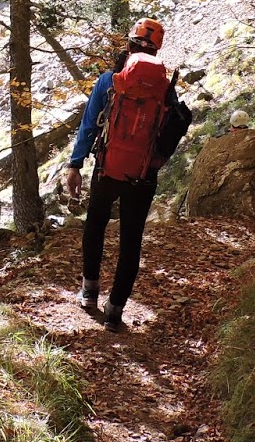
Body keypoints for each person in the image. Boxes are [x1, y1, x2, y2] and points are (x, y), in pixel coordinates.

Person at [64, 18, 182, 332]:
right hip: (142, 175)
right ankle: (115, 310)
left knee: (95, 225)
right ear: (157, 51)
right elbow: (174, 126)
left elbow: (89, 125)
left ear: (128, 45)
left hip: (106, 168)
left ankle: (89, 292)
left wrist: (74, 165)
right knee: (131, 240)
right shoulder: (165, 90)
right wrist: (157, 161)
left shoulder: (109, 81)